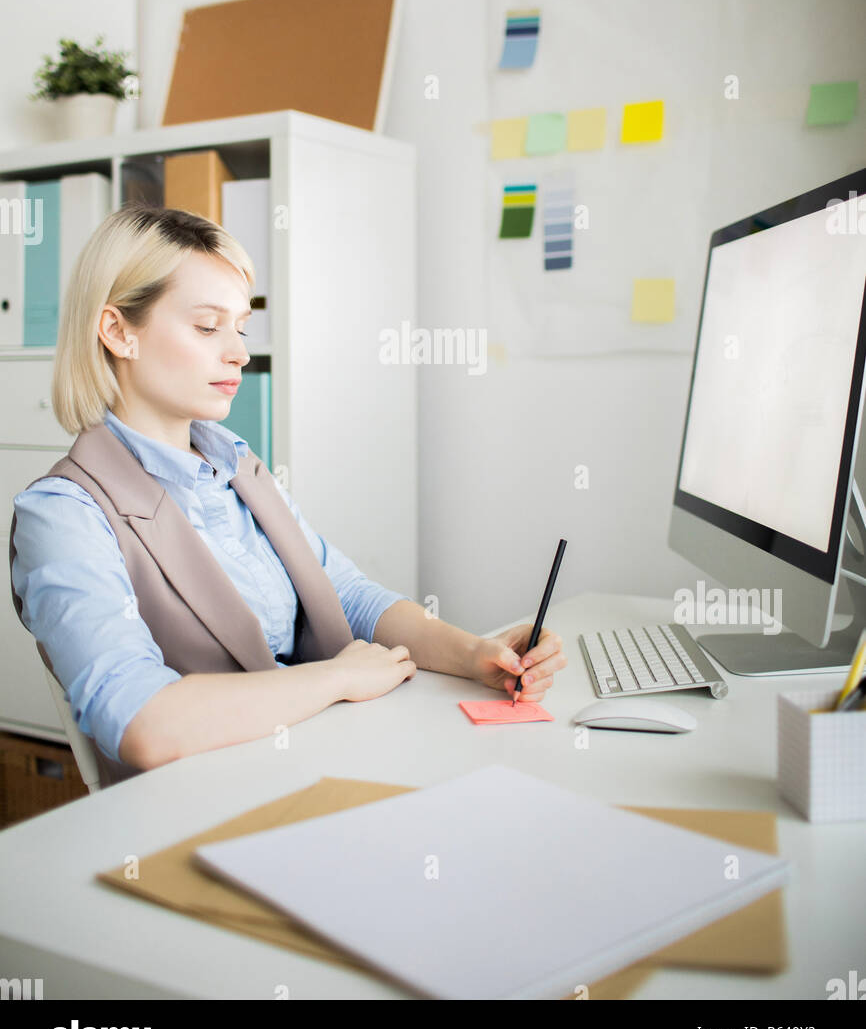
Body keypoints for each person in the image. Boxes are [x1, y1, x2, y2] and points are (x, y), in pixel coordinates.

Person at [10, 204, 566, 777]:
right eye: (207, 327)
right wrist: (336, 677)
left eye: (241, 327)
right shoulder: (62, 515)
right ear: (118, 331)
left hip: (314, 764)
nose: (239, 352)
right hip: (203, 808)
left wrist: (476, 654)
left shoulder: (236, 468)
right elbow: (140, 722)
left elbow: (348, 595)